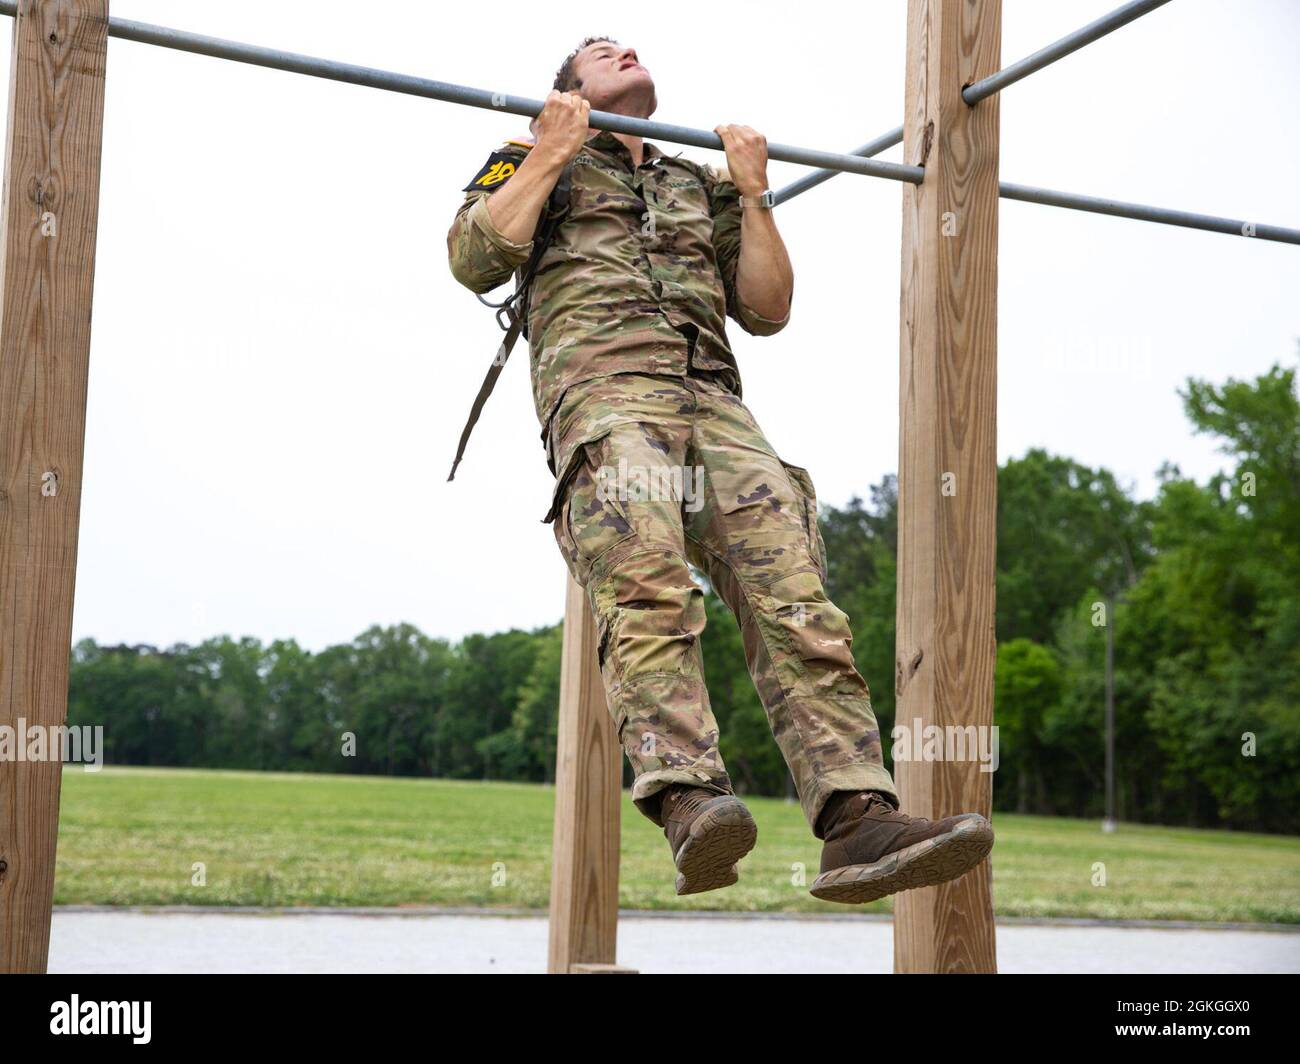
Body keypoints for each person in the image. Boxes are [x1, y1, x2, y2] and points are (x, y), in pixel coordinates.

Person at [447, 37, 992, 903]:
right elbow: (476, 257)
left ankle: (857, 819)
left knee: (798, 597)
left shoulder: (693, 182)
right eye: (597, 51)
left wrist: (753, 191)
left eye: (625, 44)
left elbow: (769, 307)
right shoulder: (530, 157)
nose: (623, 48)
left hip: (715, 403)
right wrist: (550, 145)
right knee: (651, 584)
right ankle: (689, 796)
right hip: (608, 394)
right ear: (565, 90)